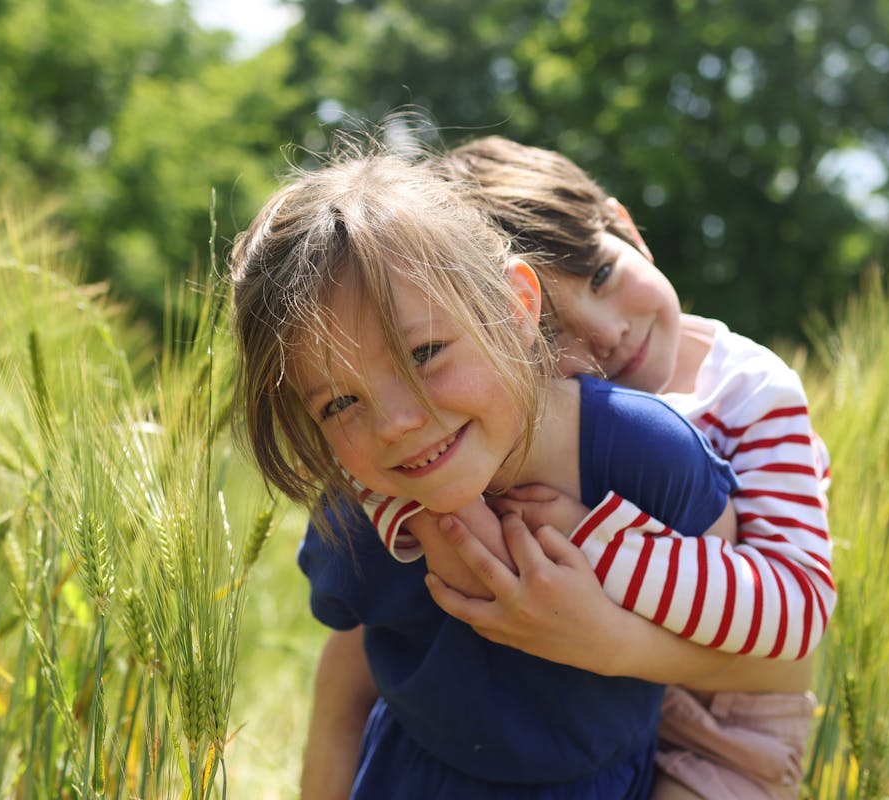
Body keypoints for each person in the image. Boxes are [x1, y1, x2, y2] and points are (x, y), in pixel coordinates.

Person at [317, 136, 836, 799]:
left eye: (600, 275)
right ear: (511, 325)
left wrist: (592, 544)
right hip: (571, 706)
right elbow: (368, 468)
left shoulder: (750, 393)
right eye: (557, 333)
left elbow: (797, 609)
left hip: (724, 721)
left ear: (623, 224)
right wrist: (417, 513)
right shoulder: (510, 416)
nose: (607, 329)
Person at [229, 142, 743, 799]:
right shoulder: (363, 516)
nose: (394, 424)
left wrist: (605, 578)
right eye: (340, 403)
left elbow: (735, 611)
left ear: (517, 308)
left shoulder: (641, 452)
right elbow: (343, 685)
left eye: (425, 353)